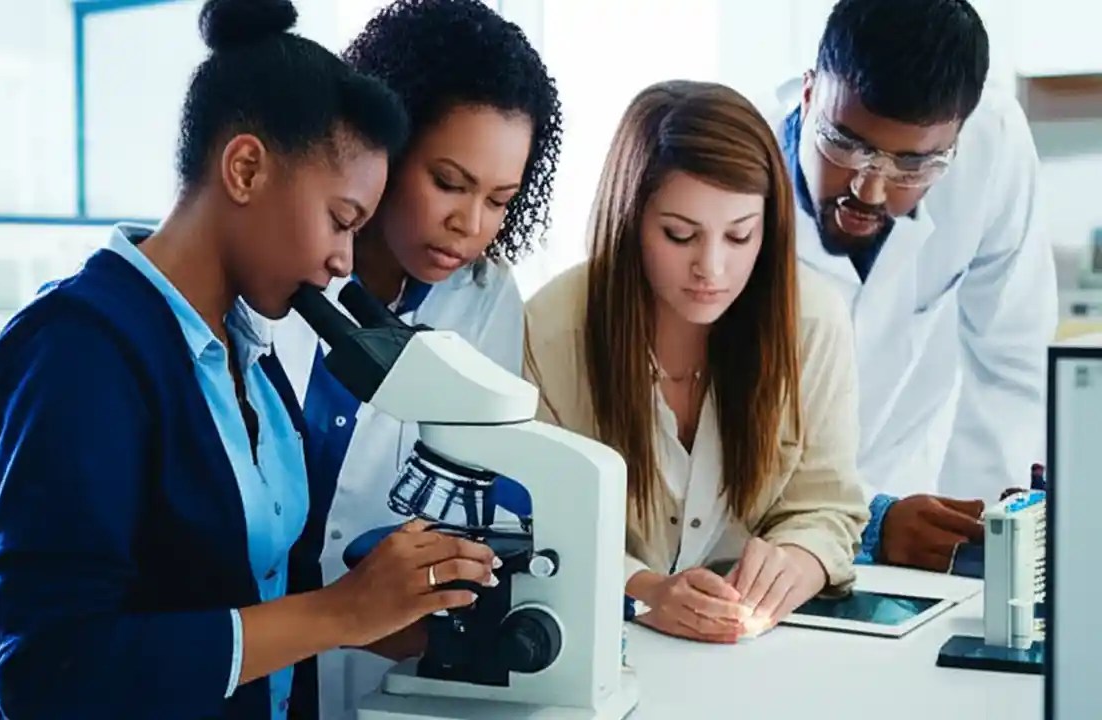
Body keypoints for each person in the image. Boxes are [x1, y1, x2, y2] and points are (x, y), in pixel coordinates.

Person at [0, 2, 498, 718]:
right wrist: (339, 612)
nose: (343, 261)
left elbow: (250, 595)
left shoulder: (247, 353)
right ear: (246, 169)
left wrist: (390, 617)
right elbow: (50, 674)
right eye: (340, 220)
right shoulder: (76, 354)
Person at [272, 0, 560, 716]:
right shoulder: (276, 267)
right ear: (386, 144)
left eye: (500, 200)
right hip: (252, 651)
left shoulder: (484, 297)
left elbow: (477, 485)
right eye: (450, 183)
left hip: (379, 671)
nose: (470, 225)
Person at [522, 80, 869, 644]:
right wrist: (642, 592)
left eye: (740, 236)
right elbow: (531, 524)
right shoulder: (551, 332)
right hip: (598, 648)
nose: (712, 268)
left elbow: (827, 504)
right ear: (629, 220)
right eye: (680, 235)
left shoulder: (813, 322)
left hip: (758, 652)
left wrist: (797, 561)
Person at [771, 0, 1057, 572]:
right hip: (763, 526)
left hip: (912, 507)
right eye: (844, 144)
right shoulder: (731, 180)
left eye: (912, 167)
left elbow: (1011, 364)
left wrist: (985, 544)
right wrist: (871, 521)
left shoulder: (993, 147)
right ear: (808, 93)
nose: (868, 192)